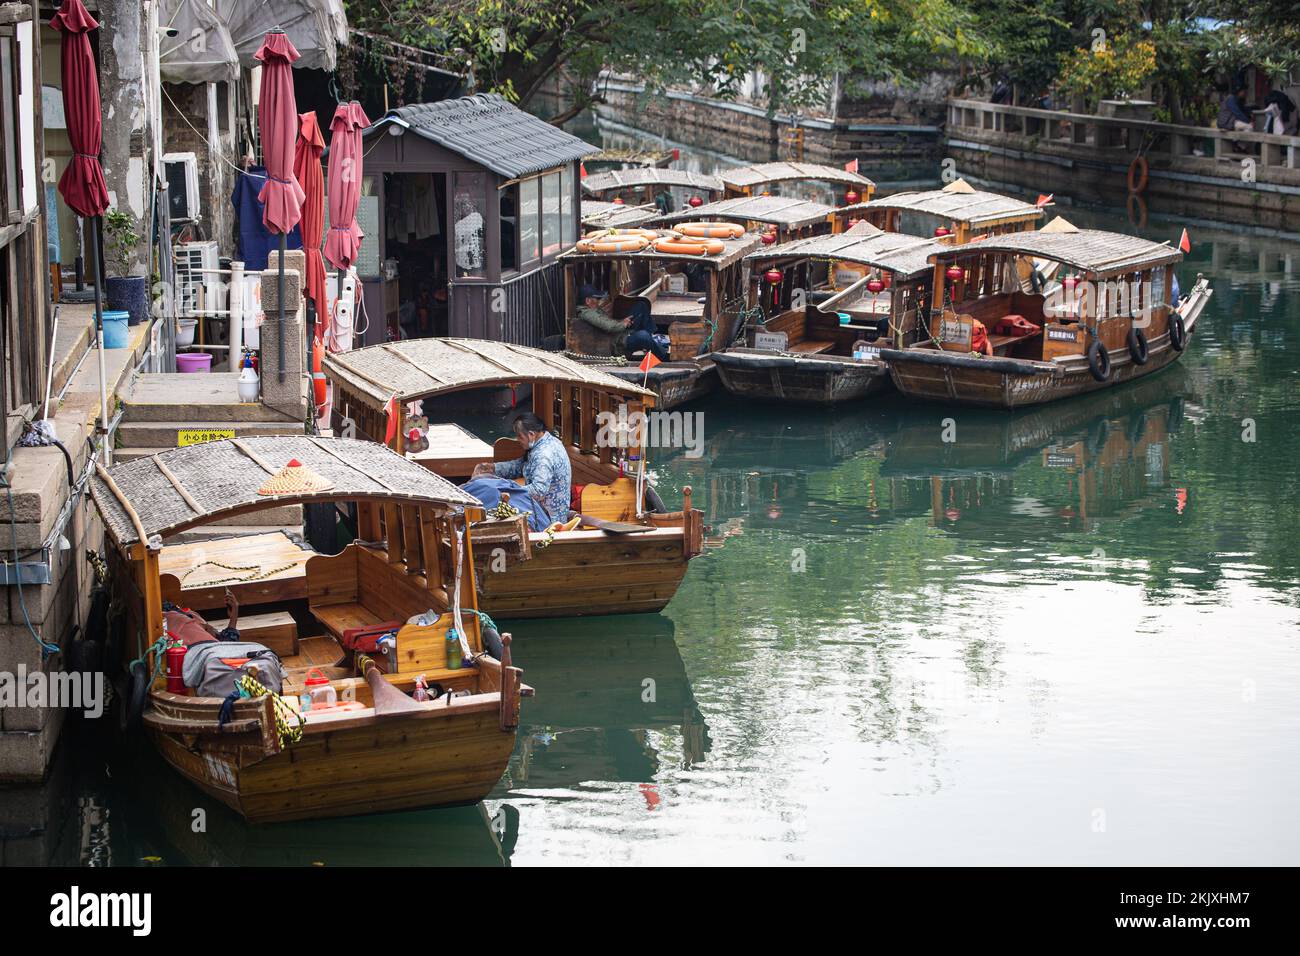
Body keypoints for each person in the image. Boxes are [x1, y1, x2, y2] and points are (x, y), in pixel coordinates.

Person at [464, 413, 572, 531]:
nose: (518, 440)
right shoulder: (548, 442)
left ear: (531, 435)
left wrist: (509, 488)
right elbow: (521, 465)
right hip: (544, 509)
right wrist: (492, 468)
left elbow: (538, 491)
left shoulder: (543, 455)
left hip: (548, 518)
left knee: (492, 495)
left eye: (520, 436)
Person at [576, 283, 669, 361]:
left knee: (641, 306)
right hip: (618, 344)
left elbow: (608, 322)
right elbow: (608, 326)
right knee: (643, 336)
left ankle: (651, 342)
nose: (598, 301)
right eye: (597, 299)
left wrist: (622, 321)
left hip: (621, 333)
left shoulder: (592, 310)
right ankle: (662, 357)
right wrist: (622, 324)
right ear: (588, 301)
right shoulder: (587, 314)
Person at [163, 591, 240, 647]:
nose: (215, 630)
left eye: (216, 633)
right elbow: (228, 644)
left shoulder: (200, 633)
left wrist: (234, 616)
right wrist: (234, 616)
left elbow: (227, 645)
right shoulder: (194, 618)